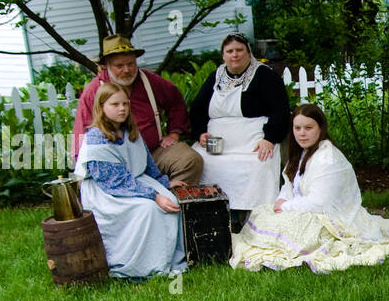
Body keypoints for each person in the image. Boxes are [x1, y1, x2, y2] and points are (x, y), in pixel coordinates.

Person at [230, 104, 389, 273]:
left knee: (286, 227)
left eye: (308, 128)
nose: (302, 133)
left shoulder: (328, 158)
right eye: (297, 128)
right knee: (261, 213)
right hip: (303, 209)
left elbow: (320, 202)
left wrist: (286, 207)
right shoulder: (299, 154)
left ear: (320, 129)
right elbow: (289, 185)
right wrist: (281, 201)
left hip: (329, 218)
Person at [75, 82, 186, 279]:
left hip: (135, 182)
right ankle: (140, 266)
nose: (122, 109)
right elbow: (115, 183)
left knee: (171, 201)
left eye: (125, 104)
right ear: (101, 107)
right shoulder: (96, 138)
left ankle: (166, 260)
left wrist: (163, 183)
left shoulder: (129, 132)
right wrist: (154, 195)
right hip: (108, 192)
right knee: (148, 209)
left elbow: (148, 164)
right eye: (115, 104)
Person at [189, 33, 291, 232]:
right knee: (198, 160)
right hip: (217, 144)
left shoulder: (265, 75)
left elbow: (280, 110)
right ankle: (218, 215)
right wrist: (200, 133)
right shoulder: (216, 76)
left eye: (239, 50)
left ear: (248, 52)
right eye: (229, 51)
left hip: (254, 140)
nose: (234, 55)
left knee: (259, 164)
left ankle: (255, 219)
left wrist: (269, 139)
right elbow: (198, 107)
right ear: (223, 55)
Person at [71, 34, 204, 186]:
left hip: (154, 154)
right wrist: (82, 167)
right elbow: (80, 132)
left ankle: (173, 203)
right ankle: (149, 199)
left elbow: (176, 101)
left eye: (131, 63)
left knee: (190, 160)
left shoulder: (150, 81)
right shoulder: (94, 91)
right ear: (107, 65)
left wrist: (174, 133)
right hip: (116, 162)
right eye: (119, 66)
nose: (127, 70)